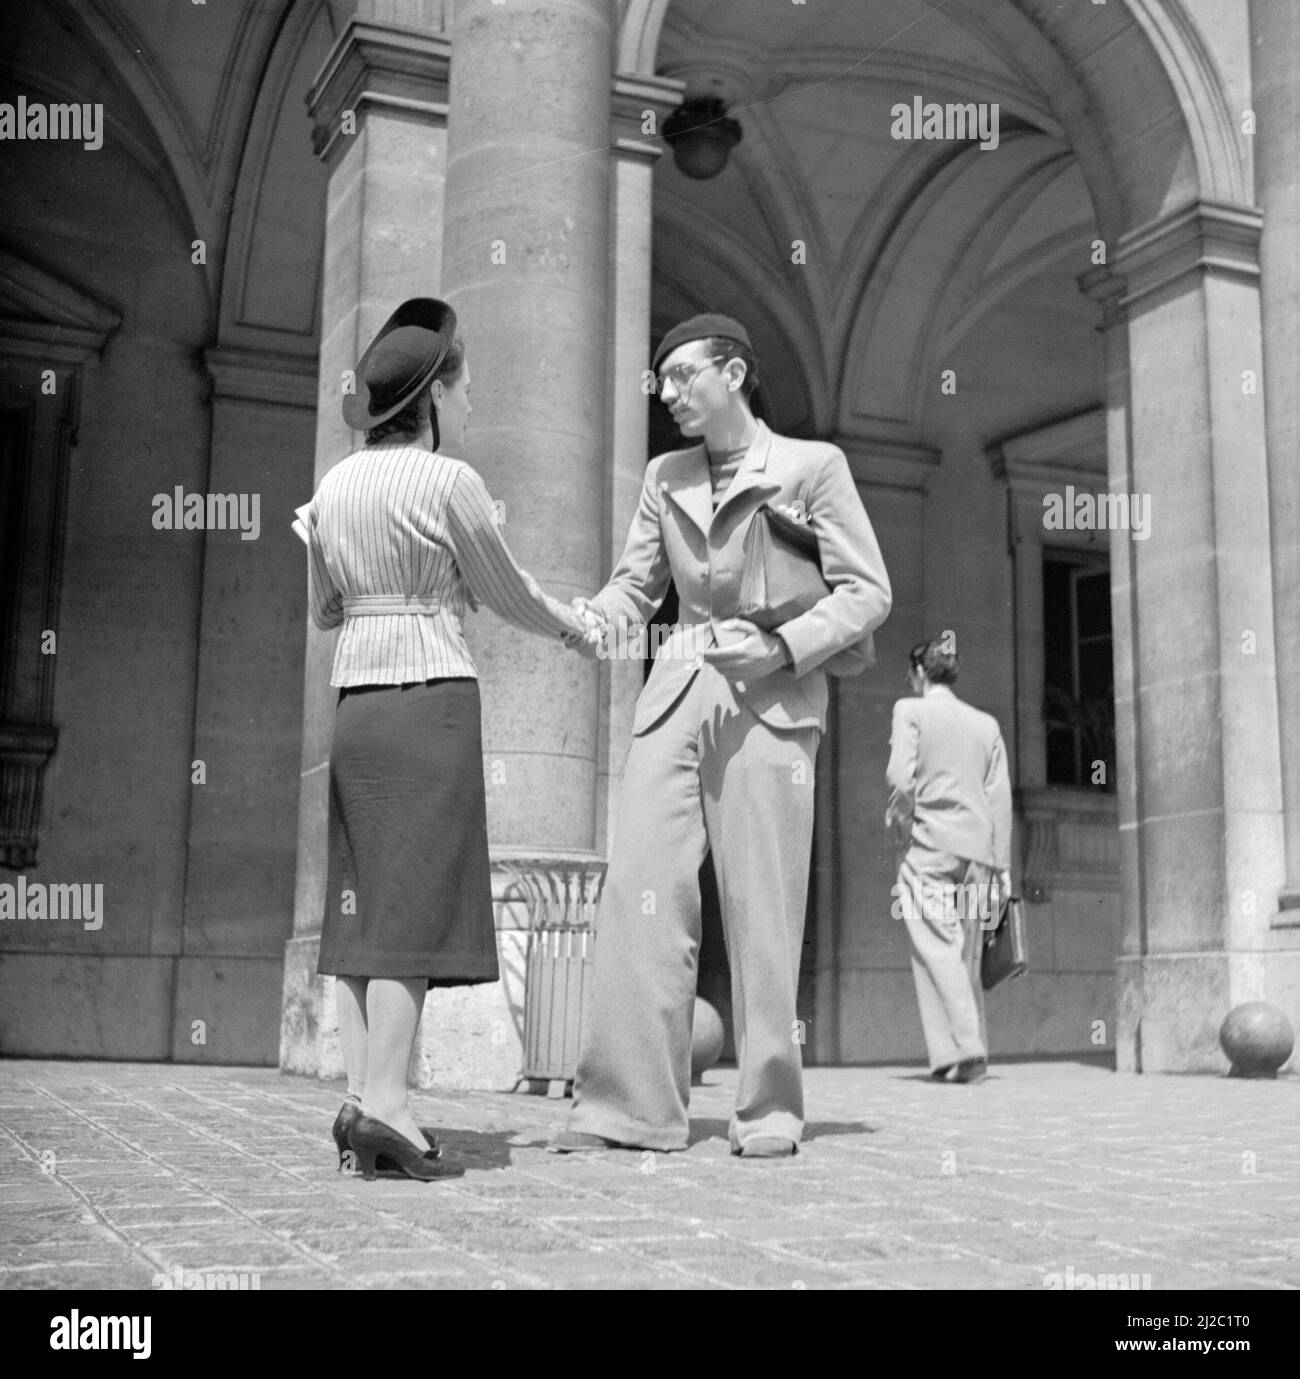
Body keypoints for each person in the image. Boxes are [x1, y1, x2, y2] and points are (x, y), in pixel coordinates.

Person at [552, 313, 892, 1158]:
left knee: (762, 903)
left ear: (733, 373)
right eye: (661, 379)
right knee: (641, 887)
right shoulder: (665, 473)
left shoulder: (814, 466)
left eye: (681, 376)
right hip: (675, 689)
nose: (666, 393)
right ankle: (625, 1108)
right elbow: (637, 586)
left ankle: (770, 1108)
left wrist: (782, 644)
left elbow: (867, 591)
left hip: (774, 696)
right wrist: (591, 618)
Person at [304, 297, 592, 1181]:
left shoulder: (331, 488)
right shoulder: (450, 482)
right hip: (430, 693)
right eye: (465, 388)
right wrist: (575, 626)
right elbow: (506, 589)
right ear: (432, 396)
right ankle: (388, 1104)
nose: (471, 404)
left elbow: (324, 608)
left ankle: (363, 1096)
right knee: (417, 902)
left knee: (362, 906)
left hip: (356, 701)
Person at [885, 636, 1013, 1084]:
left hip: (931, 845)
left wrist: (900, 825)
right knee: (965, 955)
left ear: (920, 673)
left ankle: (968, 1049)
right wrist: (1002, 867)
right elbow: (999, 799)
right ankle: (955, 1055)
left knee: (939, 948)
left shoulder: (910, 711)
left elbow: (900, 779)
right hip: (978, 851)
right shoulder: (986, 724)